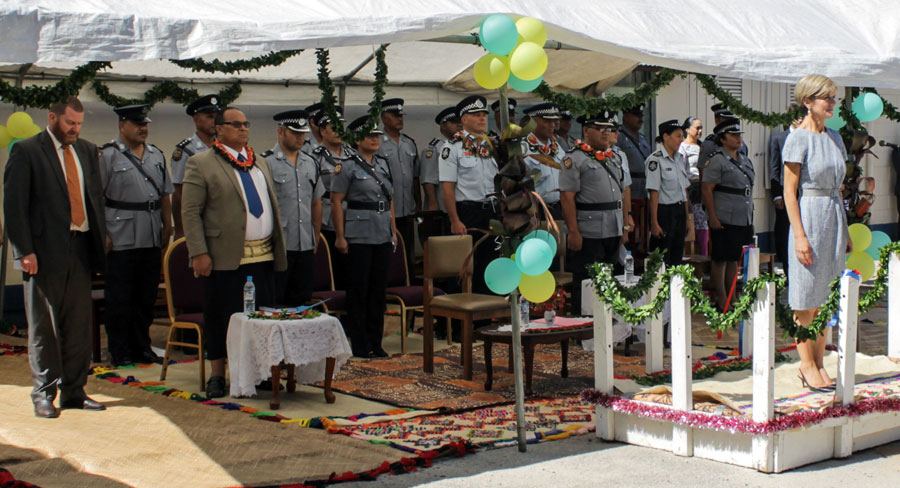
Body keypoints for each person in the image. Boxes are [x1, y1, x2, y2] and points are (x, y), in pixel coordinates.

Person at [4, 96, 108, 418]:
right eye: (69, 123)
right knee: (44, 325)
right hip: (43, 251)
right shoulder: (27, 151)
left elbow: (94, 198)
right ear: (52, 118)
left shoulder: (88, 151)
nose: (75, 129)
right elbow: (14, 205)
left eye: (79, 124)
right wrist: (24, 251)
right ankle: (43, 394)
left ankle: (74, 392)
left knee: (78, 325)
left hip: (80, 247)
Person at [181, 106, 287, 398]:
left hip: (263, 255)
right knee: (222, 316)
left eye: (246, 124)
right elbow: (190, 212)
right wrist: (198, 252)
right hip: (225, 256)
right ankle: (217, 374)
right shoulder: (201, 163)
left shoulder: (259, 163)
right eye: (236, 124)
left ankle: (261, 371)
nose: (243, 129)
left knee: (262, 317)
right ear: (219, 129)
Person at [783, 74, 850, 391]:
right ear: (808, 101)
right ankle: (805, 363)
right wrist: (799, 234)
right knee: (806, 295)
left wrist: (845, 228)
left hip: (833, 215)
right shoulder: (797, 137)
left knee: (825, 296)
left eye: (835, 98)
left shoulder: (835, 138)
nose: (833, 104)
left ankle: (821, 361)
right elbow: (789, 191)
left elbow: (839, 187)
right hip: (809, 215)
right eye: (828, 98)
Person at [99, 104, 173, 367]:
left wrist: (168, 225)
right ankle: (119, 350)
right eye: (137, 124)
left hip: (150, 233)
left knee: (145, 296)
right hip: (120, 236)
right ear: (122, 125)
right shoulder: (108, 155)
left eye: (145, 124)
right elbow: (96, 198)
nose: (143, 128)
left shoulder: (156, 155)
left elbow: (165, 194)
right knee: (120, 297)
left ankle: (142, 346)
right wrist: (103, 233)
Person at [331, 116, 398, 358]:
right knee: (359, 291)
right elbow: (336, 202)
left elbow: (388, 200)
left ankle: (376, 342)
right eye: (370, 136)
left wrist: (392, 229)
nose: (375, 139)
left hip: (381, 232)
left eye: (377, 136)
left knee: (378, 292)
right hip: (358, 233)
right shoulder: (346, 166)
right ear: (358, 139)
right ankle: (359, 343)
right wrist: (340, 235)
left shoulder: (382, 164)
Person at [559, 111, 632, 309]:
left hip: (613, 226)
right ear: (586, 130)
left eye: (607, 129)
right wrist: (573, 231)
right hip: (589, 228)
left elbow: (622, 192)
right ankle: (585, 328)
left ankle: (610, 324)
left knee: (612, 278)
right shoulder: (574, 159)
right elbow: (567, 197)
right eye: (599, 128)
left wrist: (625, 224)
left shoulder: (614, 158)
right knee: (587, 281)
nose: (605, 133)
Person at [261, 109, 324, 306]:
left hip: (305, 242)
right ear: (281, 132)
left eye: (303, 133)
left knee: (302, 302)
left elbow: (316, 201)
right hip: (279, 244)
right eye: (295, 133)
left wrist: (316, 234)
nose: (301, 138)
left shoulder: (310, 162)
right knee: (276, 301)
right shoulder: (266, 162)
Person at [439, 95, 499, 295]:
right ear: (464, 119)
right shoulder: (452, 148)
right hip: (467, 213)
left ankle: (485, 319)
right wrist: (454, 219)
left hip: (491, 211)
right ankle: (458, 325)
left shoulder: (491, 145)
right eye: (476, 115)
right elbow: (447, 187)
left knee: (489, 265)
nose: (482, 119)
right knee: (463, 269)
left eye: (484, 115)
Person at [701, 119, 754, 312]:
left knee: (734, 259)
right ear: (723, 139)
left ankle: (731, 297)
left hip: (743, 216)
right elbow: (707, 189)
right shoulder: (717, 160)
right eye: (733, 135)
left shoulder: (744, 159)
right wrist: (713, 217)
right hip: (724, 217)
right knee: (721, 259)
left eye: (739, 135)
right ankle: (721, 300)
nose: (738, 139)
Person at [310, 108, 355, 290]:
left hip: (352, 216)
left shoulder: (353, 154)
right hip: (328, 217)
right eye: (332, 127)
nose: (338, 130)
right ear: (322, 131)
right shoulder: (315, 157)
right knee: (333, 268)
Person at [376, 98, 419, 280]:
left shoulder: (409, 143)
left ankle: (407, 283)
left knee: (407, 251)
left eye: (401, 115)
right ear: (384, 118)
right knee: (388, 252)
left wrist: (419, 203)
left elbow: (415, 177)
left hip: (406, 208)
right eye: (395, 116)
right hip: (385, 211)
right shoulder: (377, 142)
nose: (399, 119)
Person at [171, 94, 220, 238]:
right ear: (196, 119)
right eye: (210, 116)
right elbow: (178, 192)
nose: (214, 121)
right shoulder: (186, 150)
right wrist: (180, 230)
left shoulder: (223, 148)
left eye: (216, 117)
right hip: (196, 220)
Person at [645, 119, 690, 267]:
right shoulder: (655, 160)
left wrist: (687, 218)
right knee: (661, 258)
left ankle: (674, 288)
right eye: (678, 136)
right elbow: (654, 192)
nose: (681, 140)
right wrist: (654, 222)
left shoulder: (679, 158)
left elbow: (684, 191)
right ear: (666, 136)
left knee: (677, 256)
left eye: (682, 136)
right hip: (664, 211)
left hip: (679, 211)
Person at [769, 104, 802, 277]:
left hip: (804, 191)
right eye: (796, 116)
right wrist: (776, 195)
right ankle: (786, 266)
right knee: (784, 229)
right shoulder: (779, 139)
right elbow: (774, 168)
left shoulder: (809, 137)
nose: (800, 119)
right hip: (785, 190)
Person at [419, 106, 461, 237]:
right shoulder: (434, 149)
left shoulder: (463, 146)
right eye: (454, 122)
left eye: (460, 121)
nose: (459, 125)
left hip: (458, 205)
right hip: (441, 208)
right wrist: (433, 205)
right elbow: (428, 180)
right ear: (443, 125)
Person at [521, 102, 564, 219]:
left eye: (554, 121)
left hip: (557, 208)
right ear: (533, 122)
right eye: (547, 121)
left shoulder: (556, 145)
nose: (552, 125)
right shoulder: (523, 147)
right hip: (535, 211)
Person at [679, 116, 709, 256]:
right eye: (697, 128)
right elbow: (682, 170)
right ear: (687, 129)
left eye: (701, 127)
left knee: (705, 223)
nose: (700, 131)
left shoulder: (703, 146)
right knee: (696, 224)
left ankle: (706, 254)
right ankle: (697, 257)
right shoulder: (683, 148)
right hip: (692, 188)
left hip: (705, 187)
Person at [698, 104, 748, 169]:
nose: (730, 122)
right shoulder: (709, 144)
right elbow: (702, 172)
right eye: (726, 119)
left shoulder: (741, 144)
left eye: (732, 119)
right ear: (716, 120)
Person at [618, 104, 651, 199]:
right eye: (637, 116)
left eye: (641, 116)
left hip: (644, 189)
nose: (640, 119)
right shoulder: (619, 137)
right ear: (626, 116)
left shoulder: (643, 138)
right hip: (629, 189)